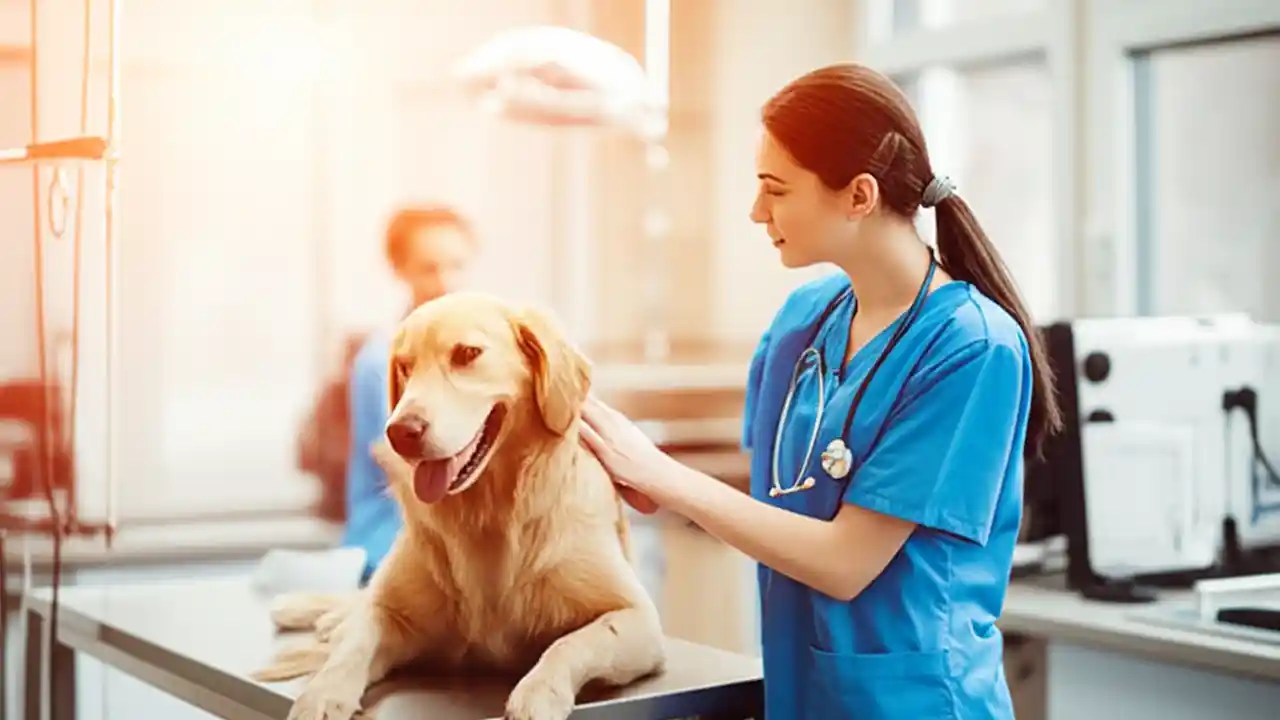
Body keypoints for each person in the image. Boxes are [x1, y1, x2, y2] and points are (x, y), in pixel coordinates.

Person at [578, 62, 1061, 719]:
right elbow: (776, 502)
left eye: (775, 190)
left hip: (917, 703)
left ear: (858, 196)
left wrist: (665, 477)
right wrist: (642, 482)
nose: (756, 212)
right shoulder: (802, 324)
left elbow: (845, 562)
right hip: (801, 693)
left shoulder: (973, 347)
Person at [342, 205, 479, 581]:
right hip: (392, 542)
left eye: (457, 265)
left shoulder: (480, 355)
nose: (447, 282)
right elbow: (402, 462)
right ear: (399, 269)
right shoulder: (379, 360)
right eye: (429, 268)